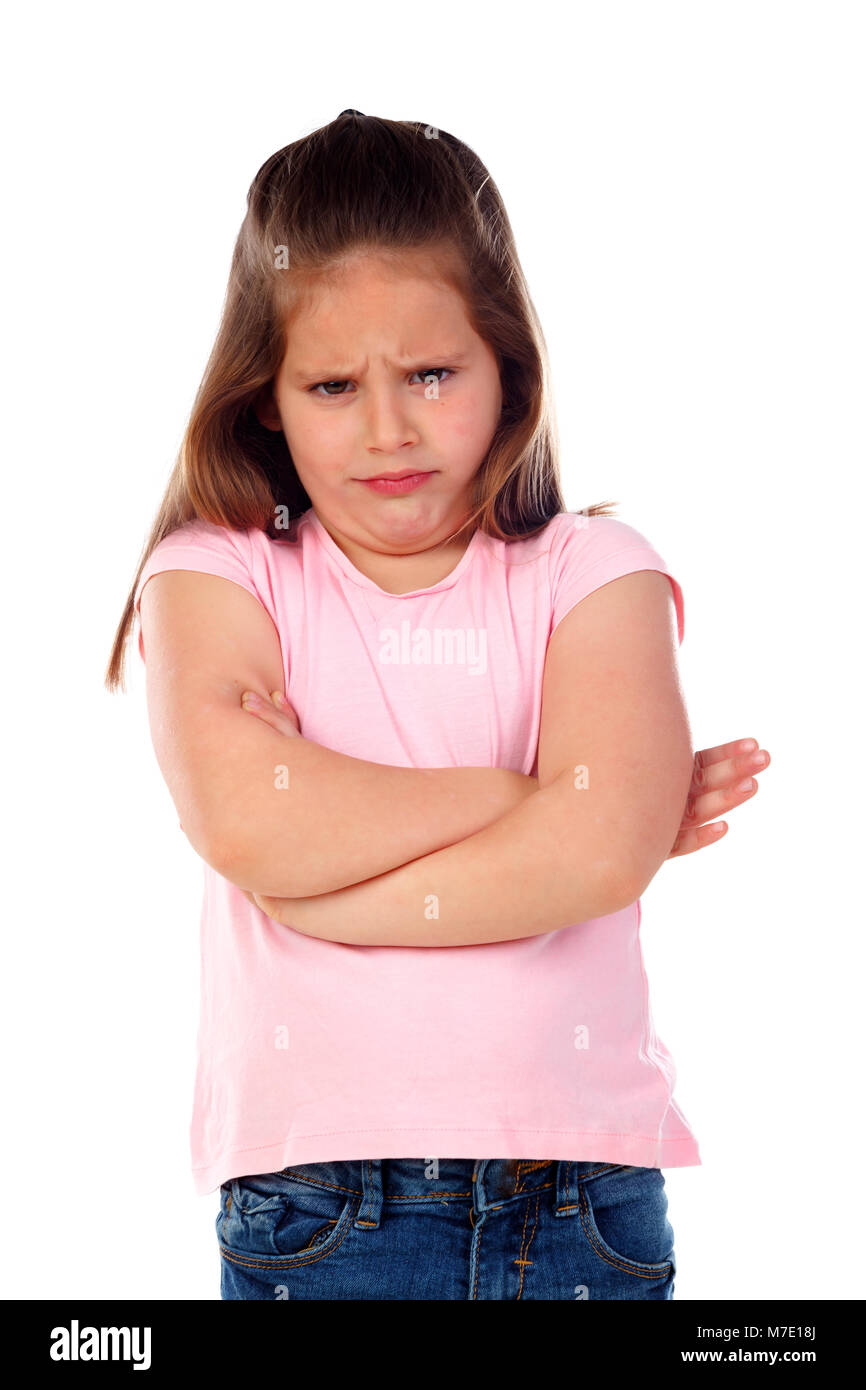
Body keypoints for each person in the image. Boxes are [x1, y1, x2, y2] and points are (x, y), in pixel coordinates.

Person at [106, 112, 769, 1300]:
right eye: (329, 384)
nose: (387, 428)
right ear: (263, 396)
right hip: (319, 1205)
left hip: (577, 1198)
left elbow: (601, 852)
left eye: (428, 373)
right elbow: (248, 821)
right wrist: (522, 796)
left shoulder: (592, 568)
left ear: (504, 361)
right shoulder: (217, 573)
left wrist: (325, 889)